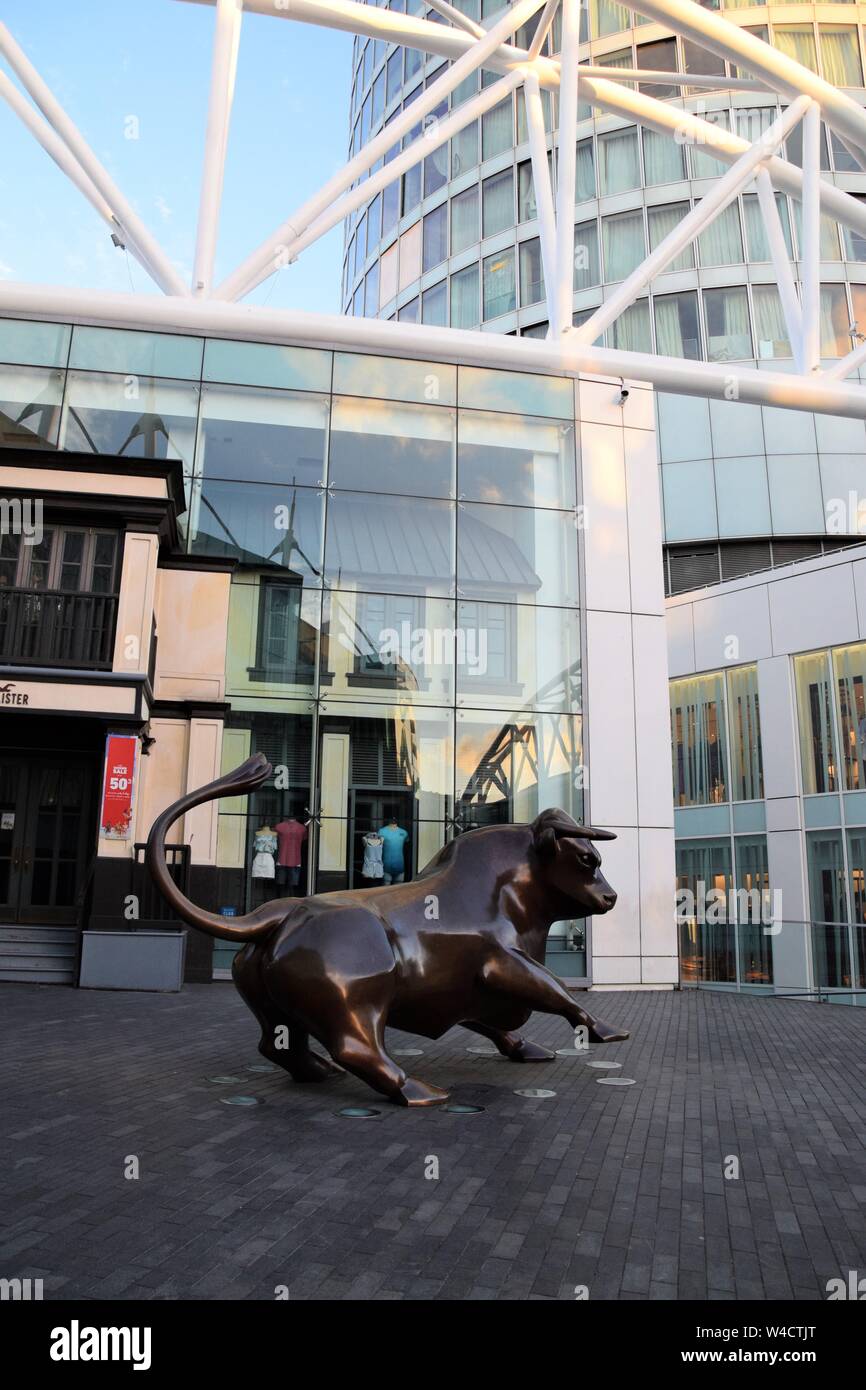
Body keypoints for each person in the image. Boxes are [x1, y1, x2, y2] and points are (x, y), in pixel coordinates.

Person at [378, 817, 408, 884]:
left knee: (398, 891)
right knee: (386, 891)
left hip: (400, 866)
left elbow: (407, 844)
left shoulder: (404, 832)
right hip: (386, 866)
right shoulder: (381, 831)